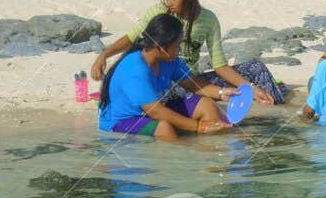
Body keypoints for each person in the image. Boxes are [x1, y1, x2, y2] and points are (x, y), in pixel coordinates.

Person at [91, 0, 285, 105]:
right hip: (169, 83)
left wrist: (250, 87)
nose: (168, 2)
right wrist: (103, 56)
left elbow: (220, 66)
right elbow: (132, 38)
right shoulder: (158, 13)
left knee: (256, 68)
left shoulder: (208, 20)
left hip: (192, 80)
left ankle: (273, 106)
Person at [97, 13, 236, 141]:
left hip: (155, 110)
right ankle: (188, 158)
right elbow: (156, 112)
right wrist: (199, 126)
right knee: (164, 128)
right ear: (161, 47)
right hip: (122, 121)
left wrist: (221, 92)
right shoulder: (134, 70)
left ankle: (213, 154)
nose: (179, 50)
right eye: (177, 46)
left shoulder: (170, 60)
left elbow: (193, 84)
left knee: (207, 105)